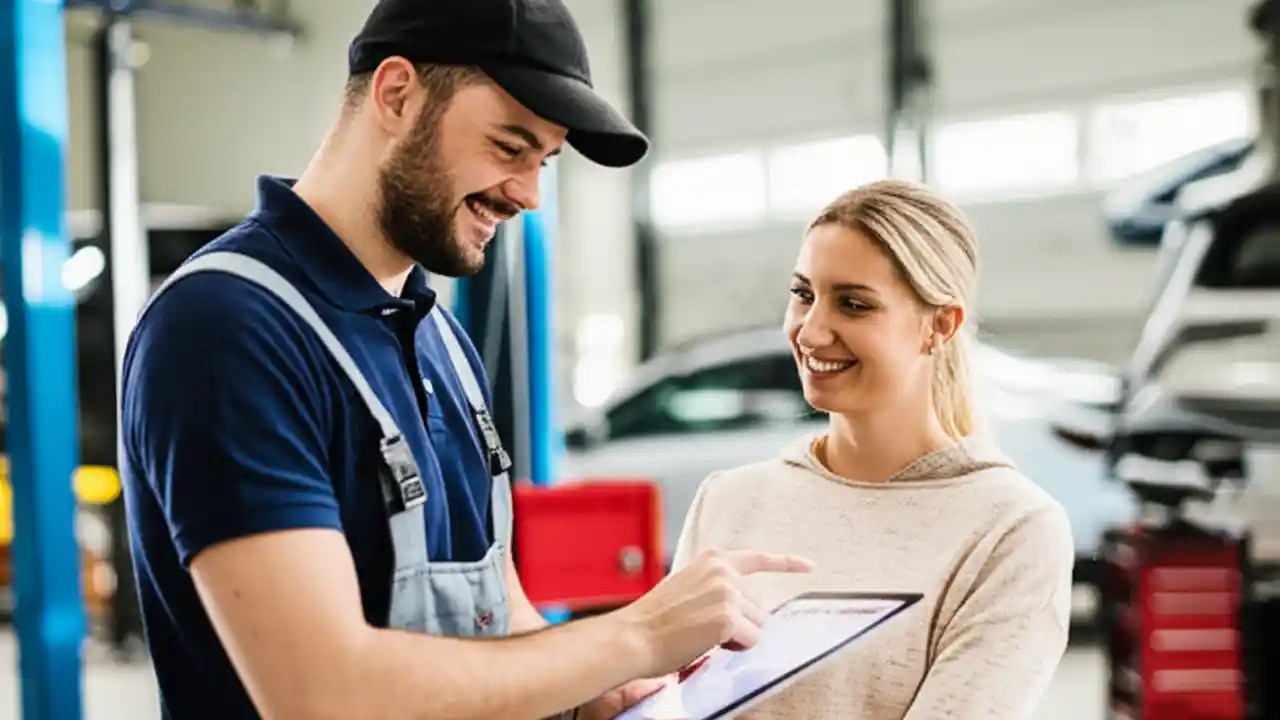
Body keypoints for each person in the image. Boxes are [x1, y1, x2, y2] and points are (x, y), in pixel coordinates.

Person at [119, 0, 813, 718]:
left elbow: (493, 621)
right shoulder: (229, 326)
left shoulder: (440, 339)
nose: (528, 194)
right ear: (396, 94)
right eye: (510, 147)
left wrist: (591, 694)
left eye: (545, 161)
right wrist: (636, 635)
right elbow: (321, 693)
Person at [671, 180, 1075, 719]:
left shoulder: (1011, 531)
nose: (812, 332)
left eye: (854, 305)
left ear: (939, 325)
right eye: (803, 294)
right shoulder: (727, 501)